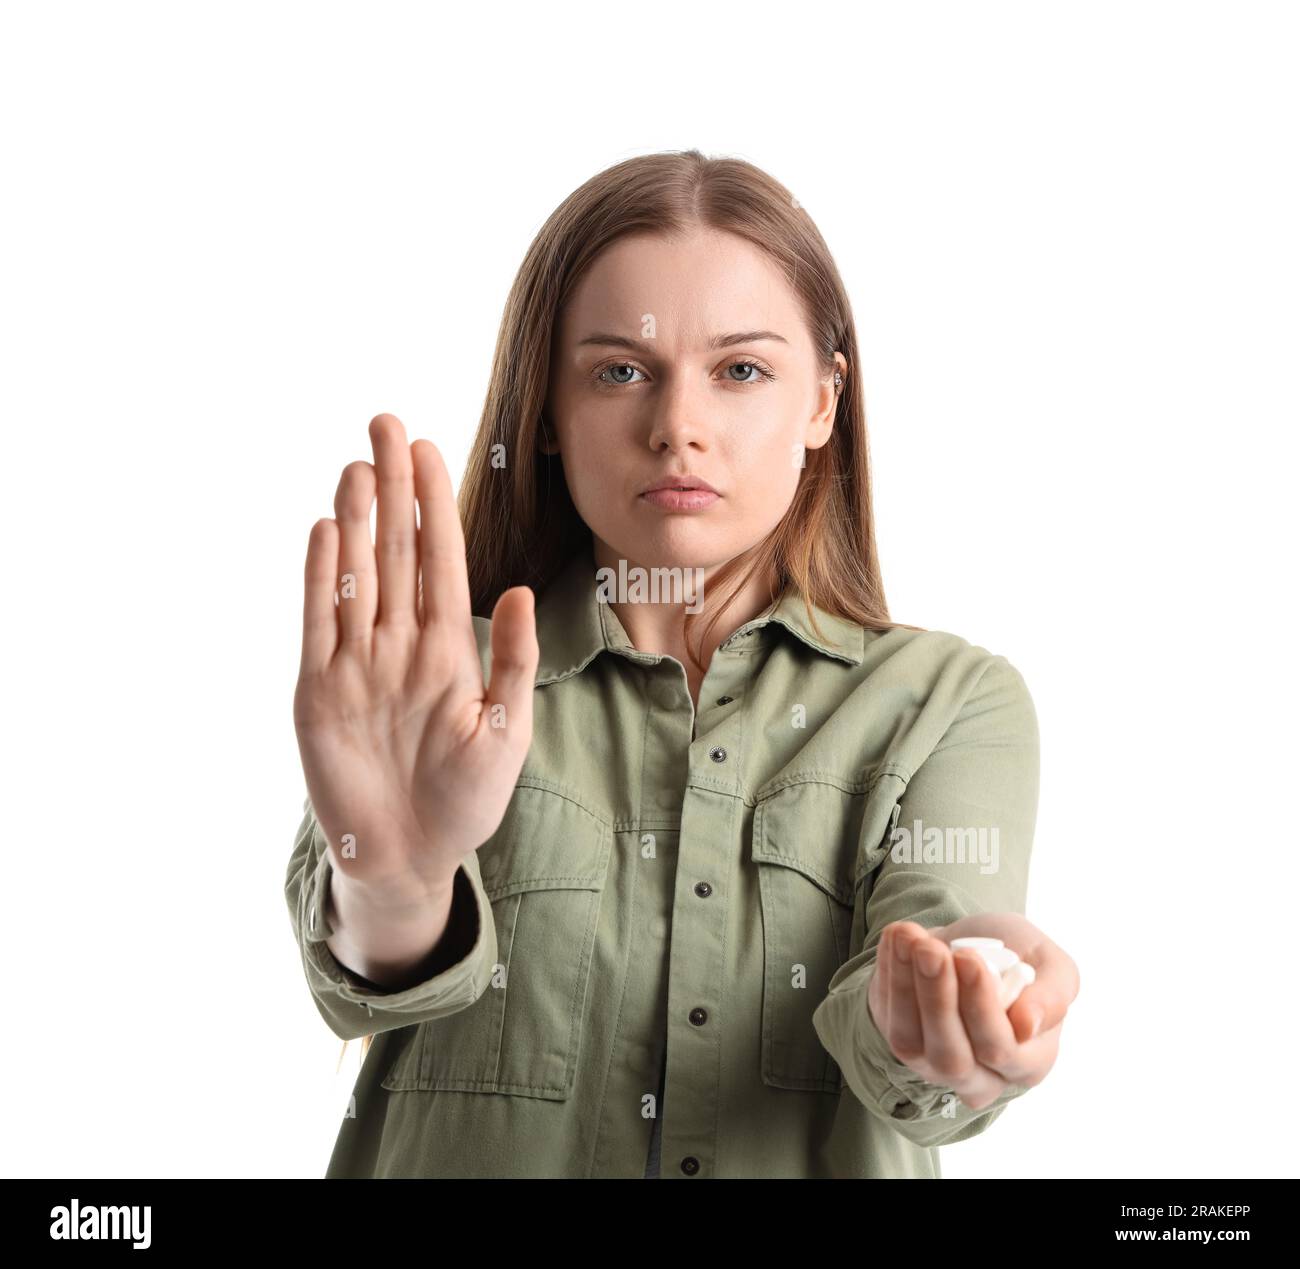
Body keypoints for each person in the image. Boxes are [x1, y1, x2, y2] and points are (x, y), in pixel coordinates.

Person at [284, 148, 1079, 1179]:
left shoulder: (946, 702)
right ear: (549, 416)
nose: (677, 430)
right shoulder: (433, 685)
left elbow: (935, 955)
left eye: (741, 370)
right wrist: (392, 882)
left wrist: (951, 1008)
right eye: (619, 371)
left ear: (822, 405)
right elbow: (362, 979)